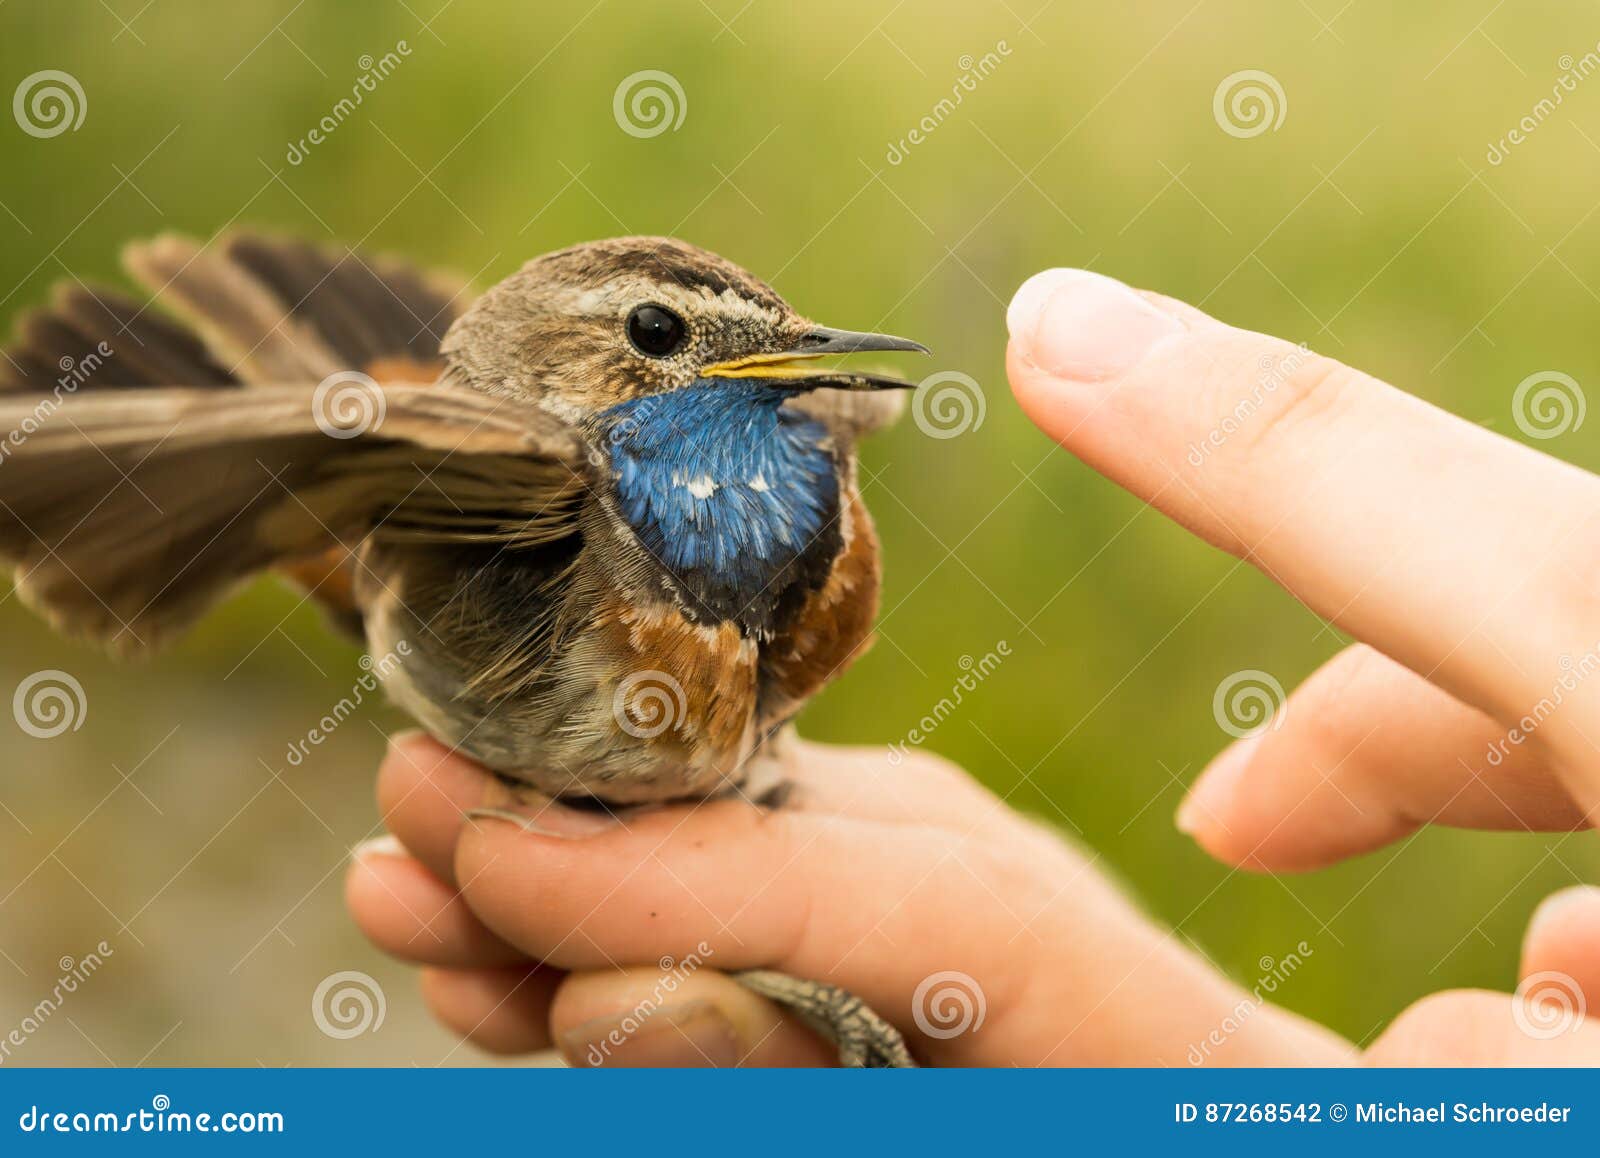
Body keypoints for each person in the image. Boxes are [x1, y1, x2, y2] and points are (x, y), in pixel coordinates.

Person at [344, 269, 1600, 1066]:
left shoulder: (793, 463)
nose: (778, 374)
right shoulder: (526, 473)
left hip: (685, 783)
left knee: (644, 950)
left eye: (773, 351)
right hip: (526, 706)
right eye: (665, 335)